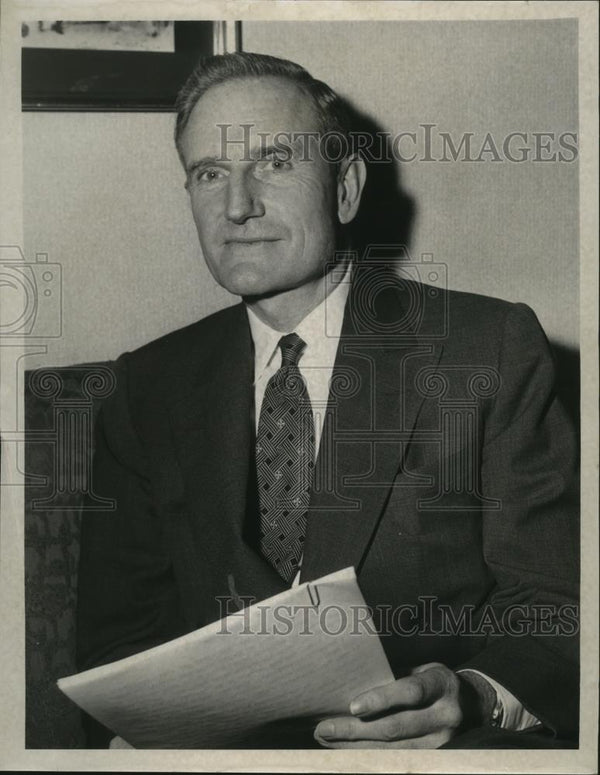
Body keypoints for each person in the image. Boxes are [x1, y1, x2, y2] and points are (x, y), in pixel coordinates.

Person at [76, 52, 579, 749]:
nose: (237, 205)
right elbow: (116, 639)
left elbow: (557, 607)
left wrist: (472, 695)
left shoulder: (486, 348)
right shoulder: (146, 386)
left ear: (344, 188)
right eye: (209, 174)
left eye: (274, 162)